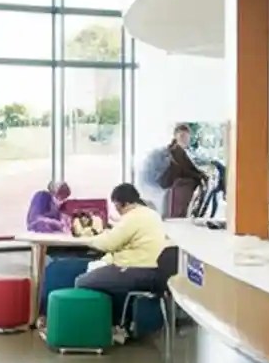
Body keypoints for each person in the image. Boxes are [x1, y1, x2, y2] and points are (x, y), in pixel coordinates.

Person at [75, 183, 168, 342]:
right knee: (107, 277)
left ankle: (101, 330)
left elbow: (109, 243)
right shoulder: (151, 214)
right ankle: (118, 325)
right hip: (154, 270)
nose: (115, 209)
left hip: (138, 270)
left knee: (82, 281)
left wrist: (88, 239)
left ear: (120, 203)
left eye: (115, 205)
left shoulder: (133, 217)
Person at [159, 124, 206, 218]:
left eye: (187, 137)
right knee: (178, 215)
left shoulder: (182, 150)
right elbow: (184, 168)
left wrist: (201, 174)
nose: (185, 139)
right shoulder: (175, 150)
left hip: (181, 187)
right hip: (179, 186)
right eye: (182, 136)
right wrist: (200, 175)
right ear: (175, 136)